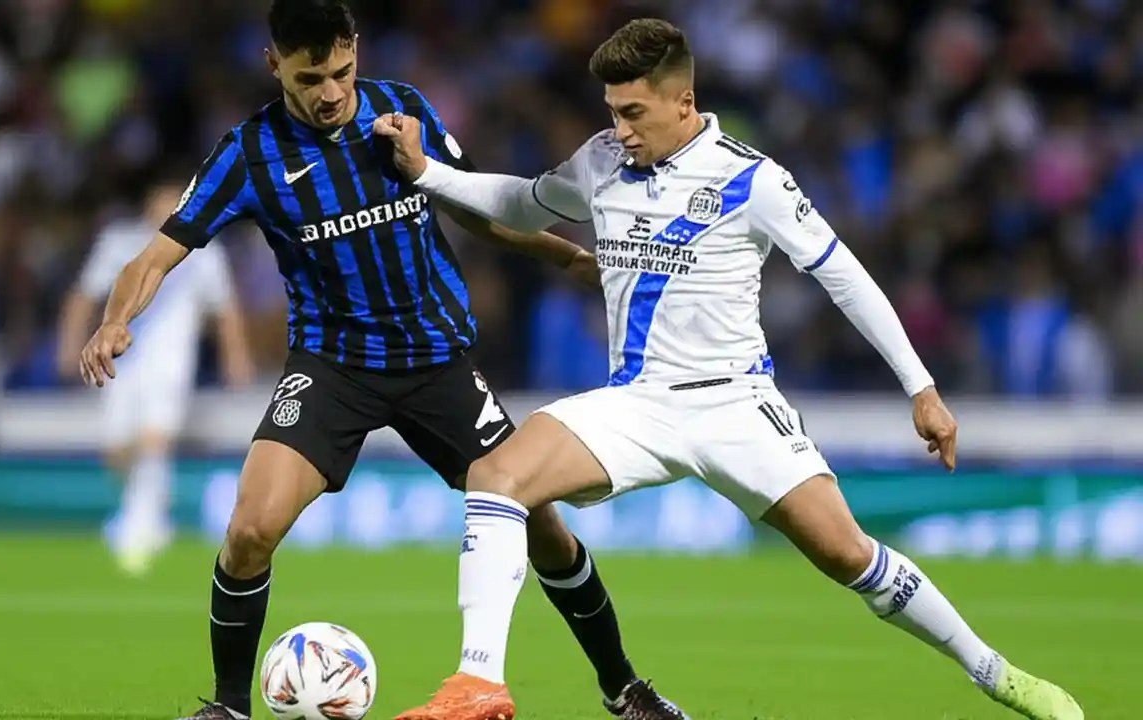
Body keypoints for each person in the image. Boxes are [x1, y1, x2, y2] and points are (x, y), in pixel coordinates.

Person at [375, 17, 1084, 720]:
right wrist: (429, 173)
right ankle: (478, 684)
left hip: (735, 405)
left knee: (848, 554)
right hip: (637, 404)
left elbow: (844, 277)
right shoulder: (601, 161)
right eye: (613, 113)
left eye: (633, 113)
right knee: (496, 477)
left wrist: (921, 387)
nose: (620, 130)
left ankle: (994, 673)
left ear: (683, 101)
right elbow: (524, 203)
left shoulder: (752, 180)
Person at [77, 3, 686, 719]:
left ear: (356, 50)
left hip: (437, 361)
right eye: (310, 79)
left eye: (341, 71)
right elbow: (155, 254)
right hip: (332, 367)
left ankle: (624, 688)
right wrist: (113, 321)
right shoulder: (248, 154)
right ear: (275, 66)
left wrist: (569, 259)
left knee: (542, 526)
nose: (331, 92)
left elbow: (477, 209)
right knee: (249, 530)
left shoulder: (401, 110)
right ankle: (231, 707)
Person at [59, 177, 254, 575]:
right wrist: (69, 343)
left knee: (155, 437)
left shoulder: (203, 250)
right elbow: (84, 294)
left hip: (171, 361)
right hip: (121, 360)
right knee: (117, 449)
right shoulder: (119, 243)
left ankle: (141, 527)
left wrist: (236, 356)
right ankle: (149, 508)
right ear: (148, 207)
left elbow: (224, 308)